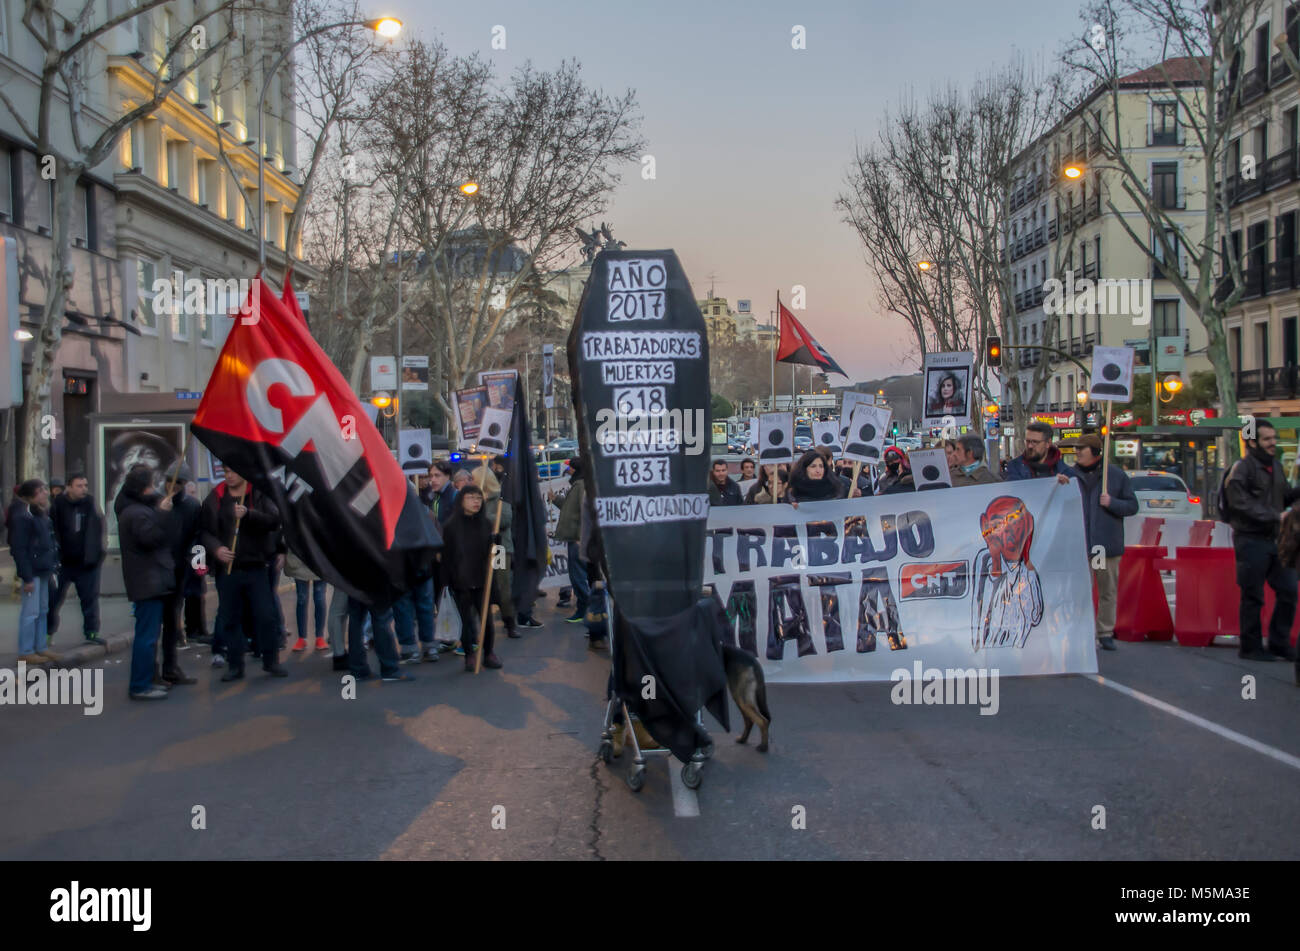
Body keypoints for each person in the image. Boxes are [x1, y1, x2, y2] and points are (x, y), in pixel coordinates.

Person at [1224, 420, 1300, 662]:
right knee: (1253, 595)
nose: (1273, 443)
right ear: (1253, 442)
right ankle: (1250, 646)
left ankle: (1279, 642)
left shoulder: (1276, 467)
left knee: (1288, 589)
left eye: (1274, 438)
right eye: (1267, 439)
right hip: (1250, 540)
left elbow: (1285, 495)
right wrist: (1274, 516)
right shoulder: (1242, 469)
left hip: (1276, 541)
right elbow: (1239, 504)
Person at [200, 469, 287, 680]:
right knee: (230, 618)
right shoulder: (215, 497)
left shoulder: (258, 494)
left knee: (265, 615)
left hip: (255, 566)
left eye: (233, 471)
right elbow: (204, 531)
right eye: (226, 471)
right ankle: (235, 665)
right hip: (228, 570)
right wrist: (216, 549)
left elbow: (274, 521)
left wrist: (249, 514)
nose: (229, 476)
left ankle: (270, 660)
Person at [1071, 434, 1138, 652]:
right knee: (1081, 589)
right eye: (1076, 448)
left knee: (1106, 589)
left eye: (1082, 448)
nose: (1077, 452)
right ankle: (1082, 629)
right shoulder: (1070, 476)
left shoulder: (1115, 477)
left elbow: (1132, 506)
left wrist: (1112, 503)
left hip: (1102, 545)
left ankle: (1105, 631)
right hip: (1080, 545)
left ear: (1095, 451)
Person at [115, 465, 175, 700]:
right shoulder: (137, 514)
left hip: (148, 580)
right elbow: (152, 538)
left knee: (149, 636)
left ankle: (148, 679)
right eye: (150, 485)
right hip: (147, 582)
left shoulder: (135, 508)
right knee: (147, 637)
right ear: (141, 489)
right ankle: (140, 685)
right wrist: (162, 514)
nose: (154, 489)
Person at [441, 484, 503, 671]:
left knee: (487, 620)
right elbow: (446, 557)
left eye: (478, 498)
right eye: (471, 497)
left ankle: (489, 653)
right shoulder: (451, 526)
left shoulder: (486, 523)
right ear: (461, 500)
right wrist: (445, 584)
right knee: (466, 621)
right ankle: (469, 654)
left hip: (483, 578)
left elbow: (497, 560)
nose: (476, 501)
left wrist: (496, 544)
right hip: (461, 581)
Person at [48, 473, 106, 647]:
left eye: (85, 485)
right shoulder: (58, 504)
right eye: (79, 486)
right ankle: (47, 633)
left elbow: (99, 529)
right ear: (69, 487)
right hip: (63, 563)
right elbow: (52, 529)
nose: (83, 489)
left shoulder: (90, 503)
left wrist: (98, 554)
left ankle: (92, 631)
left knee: (89, 599)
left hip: (87, 562)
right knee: (53, 600)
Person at [157, 465, 200, 685]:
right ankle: (152, 669)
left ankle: (170, 667)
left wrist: (195, 565)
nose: (171, 487)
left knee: (172, 621)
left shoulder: (191, 506)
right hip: (156, 571)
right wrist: (160, 512)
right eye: (168, 481)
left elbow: (196, 537)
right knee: (155, 620)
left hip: (179, 569)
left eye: (177, 483)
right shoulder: (157, 503)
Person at [10, 479, 60, 664]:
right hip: (33, 570)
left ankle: (40, 647)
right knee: (30, 612)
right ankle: (26, 650)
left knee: (42, 610)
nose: (45, 493)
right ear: (31, 495)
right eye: (41, 491)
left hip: (44, 569)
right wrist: (27, 576)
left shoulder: (40, 514)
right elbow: (19, 549)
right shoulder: (24, 516)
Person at [481, 468, 519, 640]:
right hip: (482, 550)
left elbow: (504, 520)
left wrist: (483, 517)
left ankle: (510, 622)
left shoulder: (500, 500)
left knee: (503, 587)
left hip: (499, 549)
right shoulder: (475, 499)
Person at [553, 458, 589, 624]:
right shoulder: (577, 485)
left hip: (577, 539)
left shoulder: (581, 486)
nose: (568, 470)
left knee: (578, 576)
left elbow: (584, 511)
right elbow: (570, 507)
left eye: (570, 468)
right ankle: (585, 609)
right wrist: (555, 499)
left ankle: (585, 610)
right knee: (577, 575)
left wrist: (582, 536)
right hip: (575, 538)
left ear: (575, 469)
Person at [286, 550, 329, 652]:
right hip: (299, 558)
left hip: (319, 558)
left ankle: (319, 637)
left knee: (319, 598)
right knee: (302, 598)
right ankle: (302, 638)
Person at [1005, 422, 1073, 484]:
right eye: (1027, 441)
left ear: (1048, 443)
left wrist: (1062, 486)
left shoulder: (1064, 470)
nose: (1030, 446)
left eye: (1035, 442)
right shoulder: (1015, 467)